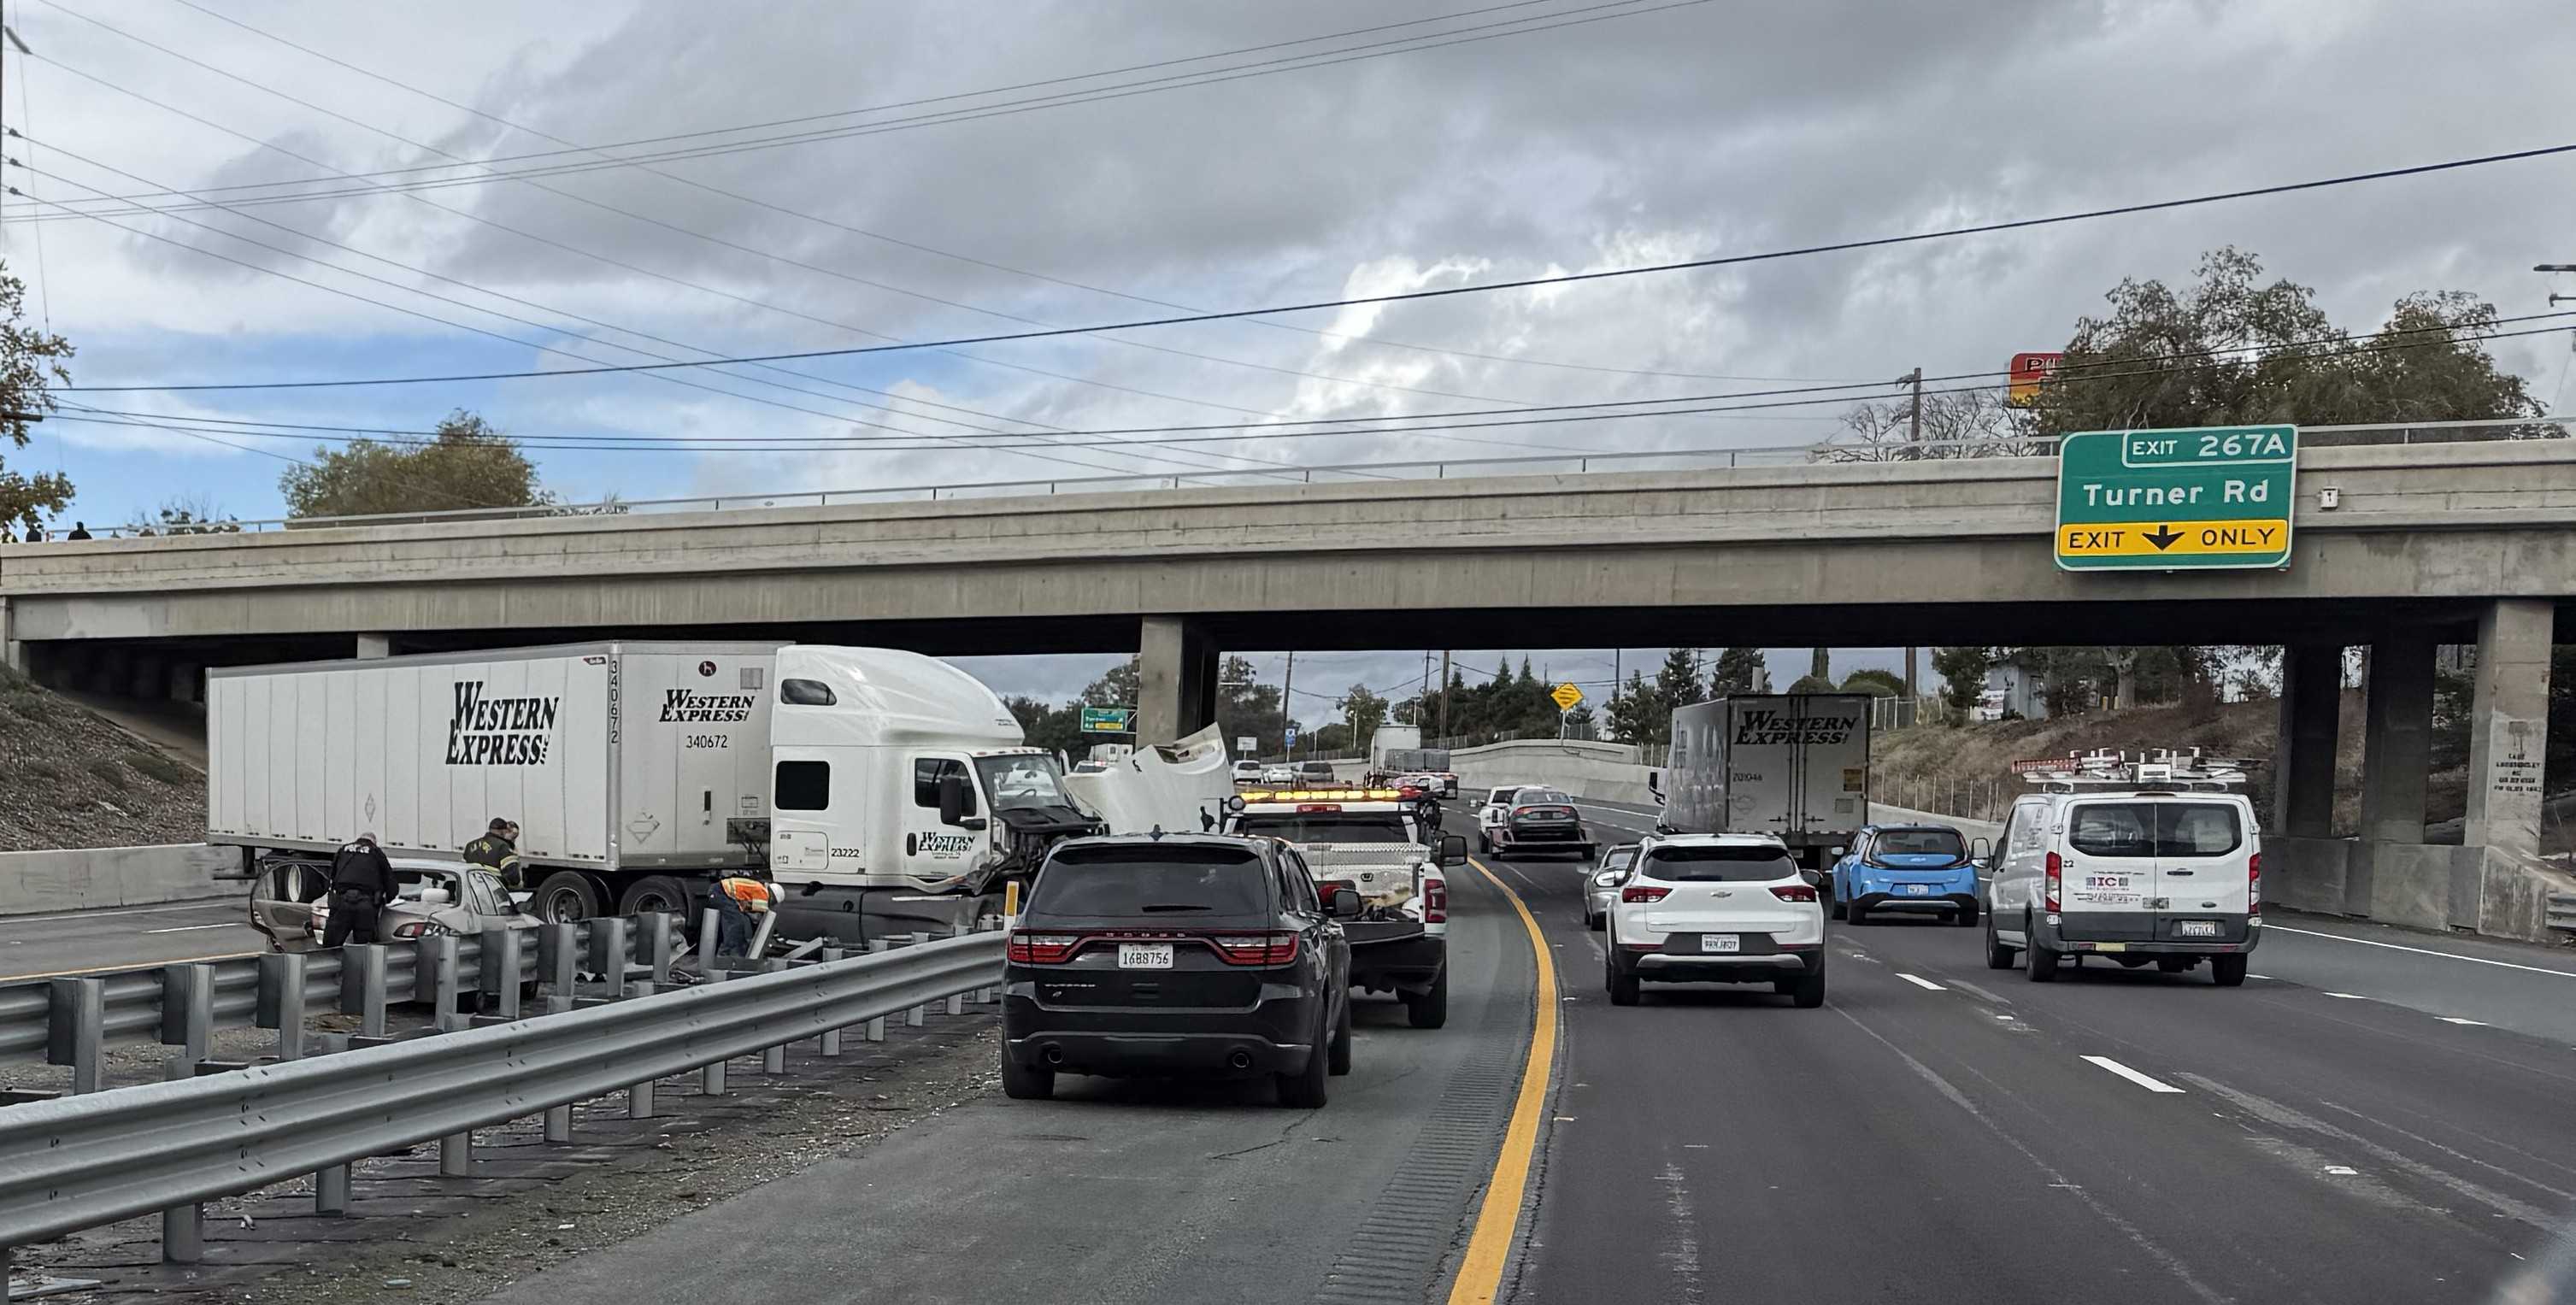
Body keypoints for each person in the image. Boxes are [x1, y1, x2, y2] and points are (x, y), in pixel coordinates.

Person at [323, 832, 395, 948]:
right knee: (363, 947)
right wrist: (387, 899)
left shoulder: (343, 850)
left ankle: (330, 963)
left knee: (331, 944)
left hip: (342, 903)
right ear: (373, 842)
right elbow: (390, 882)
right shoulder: (376, 853)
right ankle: (360, 964)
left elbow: (332, 876)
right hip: (365, 906)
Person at [710, 868, 779, 961]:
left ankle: (738, 952)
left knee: (736, 923)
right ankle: (723, 954)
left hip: (721, 892)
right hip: (721, 893)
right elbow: (758, 918)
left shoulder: (758, 888)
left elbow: (748, 911)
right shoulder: (763, 893)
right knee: (735, 923)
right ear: (773, 896)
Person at [462, 818, 523, 891]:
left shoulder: (470, 845)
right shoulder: (503, 847)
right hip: (493, 891)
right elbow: (513, 879)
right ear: (503, 831)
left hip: (471, 890)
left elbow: (462, 869)